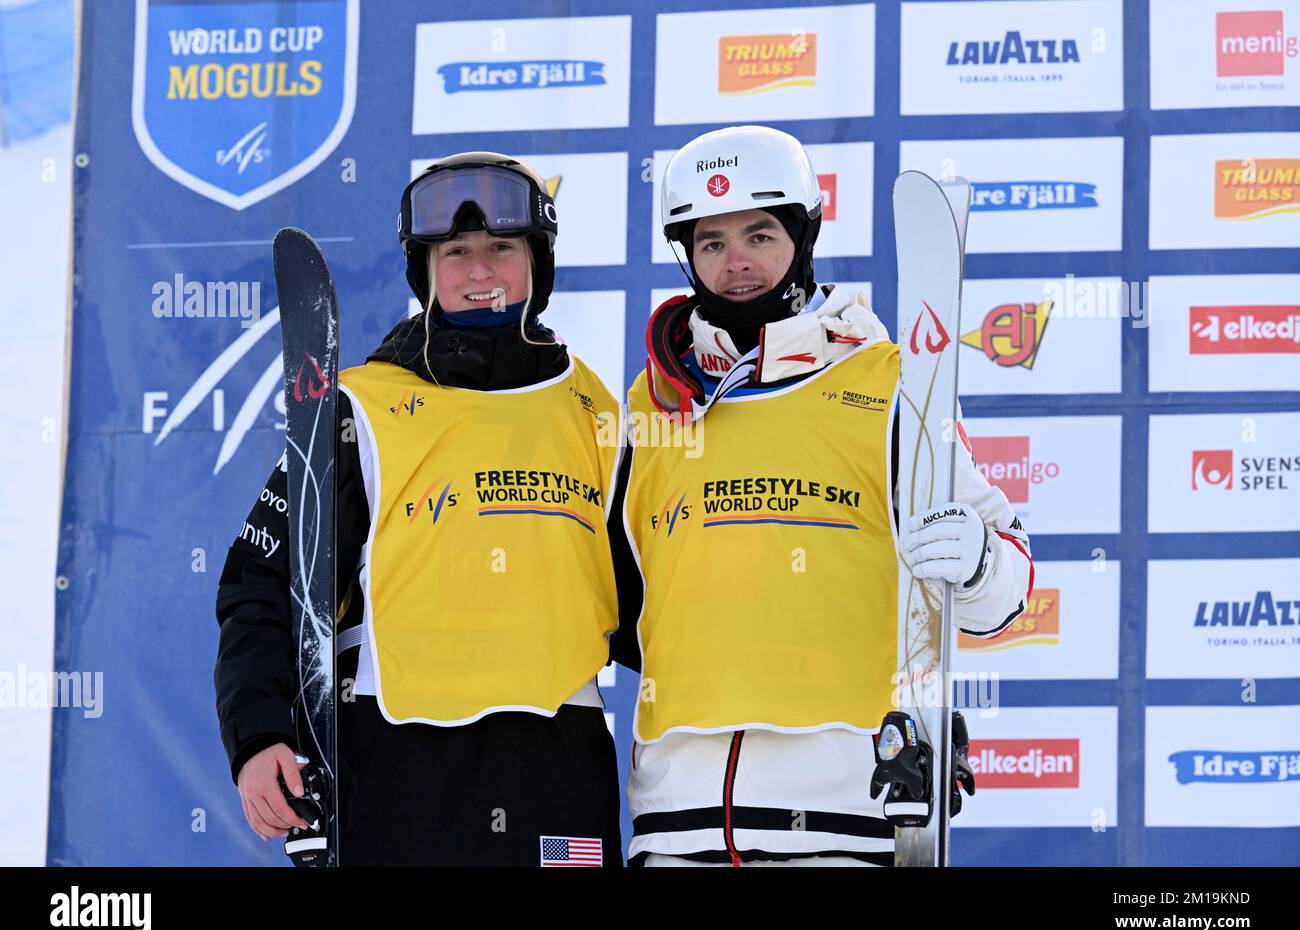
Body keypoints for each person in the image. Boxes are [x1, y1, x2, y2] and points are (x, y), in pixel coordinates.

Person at [618, 125, 1034, 866]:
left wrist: (974, 561)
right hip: (679, 821)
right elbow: (614, 604)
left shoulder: (889, 386)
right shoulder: (650, 408)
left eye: (759, 233)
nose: (737, 261)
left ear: (803, 237)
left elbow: (1005, 591)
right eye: (710, 243)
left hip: (842, 817)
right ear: (687, 255)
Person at [214, 152, 631, 866]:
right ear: (424, 272)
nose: (479, 272)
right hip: (397, 765)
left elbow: (652, 604)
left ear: (538, 263)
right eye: (456, 253)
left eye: (502, 248)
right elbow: (263, 582)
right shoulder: (358, 408)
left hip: (557, 767)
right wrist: (258, 737)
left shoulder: (598, 412)